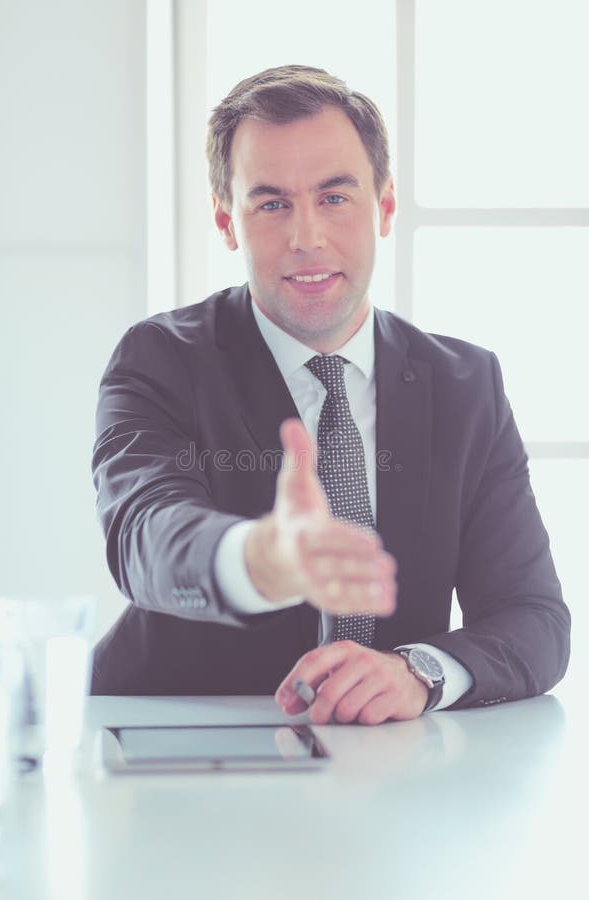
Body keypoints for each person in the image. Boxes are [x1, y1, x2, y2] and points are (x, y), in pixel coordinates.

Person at [91, 64, 570, 724]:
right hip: (182, 745)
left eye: (335, 198)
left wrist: (418, 672)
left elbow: (533, 619)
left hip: (389, 765)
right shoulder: (161, 360)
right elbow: (142, 535)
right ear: (228, 222)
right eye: (272, 204)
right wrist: (263, 560)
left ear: (386, 208)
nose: (307, 238)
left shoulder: (466, 386)